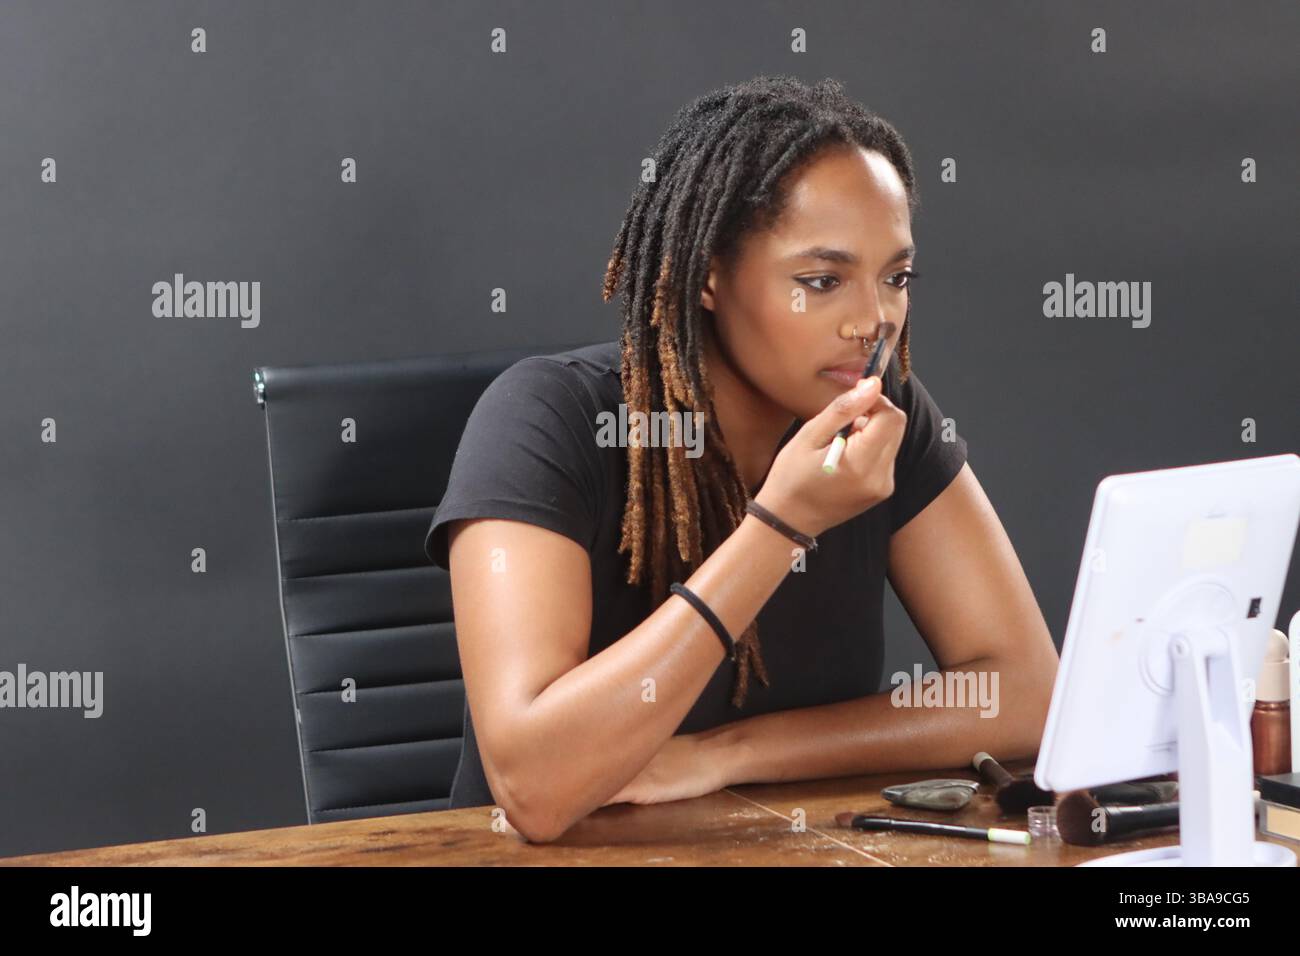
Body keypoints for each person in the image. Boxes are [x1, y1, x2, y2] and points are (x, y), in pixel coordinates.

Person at [425, 75, 1059, 843]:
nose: (873, 321)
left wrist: (725, 755)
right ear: (709, 277)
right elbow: (536, 786)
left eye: (895, 278)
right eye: (820, 282)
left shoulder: (886, 416)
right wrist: (779, 525)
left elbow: (1025, 693)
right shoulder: (546, 421)